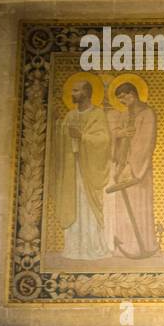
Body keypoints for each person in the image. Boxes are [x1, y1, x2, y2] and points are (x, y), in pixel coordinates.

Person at [52, 78, 111, 259]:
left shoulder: (97, 114)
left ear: (86, 92)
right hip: (73, 169)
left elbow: (104, 140)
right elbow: (62, 137)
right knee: (74, 203)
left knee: (87, 204)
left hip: (89, 169)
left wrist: (83, 137)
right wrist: (56, 125)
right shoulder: (70, 115)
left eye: (76, 90)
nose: (73, 94)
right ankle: (74, 248)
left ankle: (93, 247)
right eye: (72, 91)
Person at [106, 80, 158, 259]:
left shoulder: (147, 113)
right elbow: (114, 135)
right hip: (122, 166)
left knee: (139, 204)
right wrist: (119, 136)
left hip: (138, 170)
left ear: (132, 94)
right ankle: (127, 243)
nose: (122, 101)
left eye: (124, 97)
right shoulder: (124, 115)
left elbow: (146, 143)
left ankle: (143, 244)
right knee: (122, 206)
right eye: (119, 99)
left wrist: (132, 167)